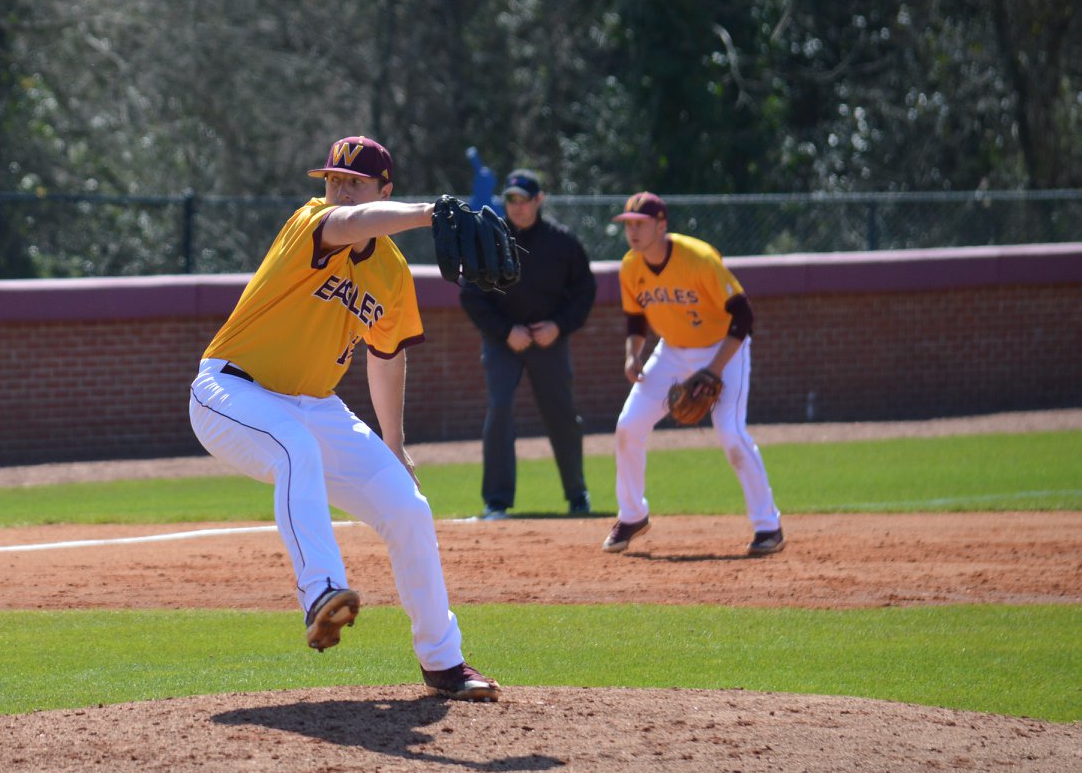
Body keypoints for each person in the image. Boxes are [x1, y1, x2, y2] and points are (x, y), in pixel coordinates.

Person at [188, 135, 500, 701]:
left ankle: (443, 662)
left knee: (408, 508)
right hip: (229, 391)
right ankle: (323, 592)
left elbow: (387, 355)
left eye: (352, 183)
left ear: (384, 190)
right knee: (294, 449)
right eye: (332, 180)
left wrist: (394, 444)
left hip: (316, 404)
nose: (337, 191)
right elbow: (354, 224)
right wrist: (431, 212)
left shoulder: (392, 274)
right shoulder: (313, 222)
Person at [603, 191, 784, 556]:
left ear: (662, 225)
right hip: (670, 352)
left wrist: (713, 370)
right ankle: (633, 515)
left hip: (723, 350)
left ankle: (769, 527)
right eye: (629, 225)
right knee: (628, 426)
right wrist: (633, 354)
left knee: (732, 435)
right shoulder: (631, 266)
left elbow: (744, 315)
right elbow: (636, 316)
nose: (633, 232)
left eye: (641, 224)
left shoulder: (698, 258)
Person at [457, 169, 597, 520]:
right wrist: (506, 332)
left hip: (548, 338)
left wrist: (558, 326)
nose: (517, 207)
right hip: (504, 341)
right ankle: (497, 501)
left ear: (539, 200)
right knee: (500, 408)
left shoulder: (562, 242)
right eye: (511, 200)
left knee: (561, 413)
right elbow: (471, 294)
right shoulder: (488, 237)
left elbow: (584, 291)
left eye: (524, 199)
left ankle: (578, 494)